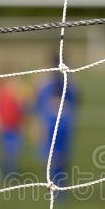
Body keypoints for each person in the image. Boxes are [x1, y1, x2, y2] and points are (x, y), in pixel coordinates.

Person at [35, 55, 77, 187]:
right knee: (51, 157)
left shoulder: (68, 83)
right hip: (51, 123)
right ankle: (55, 184)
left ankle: (60, 186)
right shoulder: (45, 84)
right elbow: (38, 104)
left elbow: (75, 99)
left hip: (62, 123)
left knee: (61, 157)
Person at [0, 75, 26, 174]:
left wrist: (22, 123)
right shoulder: (0, 94)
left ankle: (12, 170)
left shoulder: (18, 96)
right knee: (6, 149)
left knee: (14, 149)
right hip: (4, 126)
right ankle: (5, 169)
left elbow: (22, 112)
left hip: (15, 127)